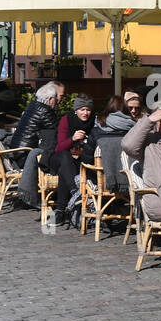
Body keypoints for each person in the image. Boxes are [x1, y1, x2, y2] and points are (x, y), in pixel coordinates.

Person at [47, 94, 95, 224]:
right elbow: (59, 147)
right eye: (82, 110)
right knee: (64, 156)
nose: (85, 113)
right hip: (58, 157)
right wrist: (72, 139)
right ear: (76, 110)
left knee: (65, 169)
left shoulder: (94, 122)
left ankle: (60, 211)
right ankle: (75, 191)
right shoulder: (66, 120)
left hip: (80, 160)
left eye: (88, 110)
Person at [8, 81, 63, 167]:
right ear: (50, 99)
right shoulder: (45, 111)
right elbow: (58, 132)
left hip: (17, 153)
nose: (57, 101)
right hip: (26, 156)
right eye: (56, 98)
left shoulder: (33, 105)